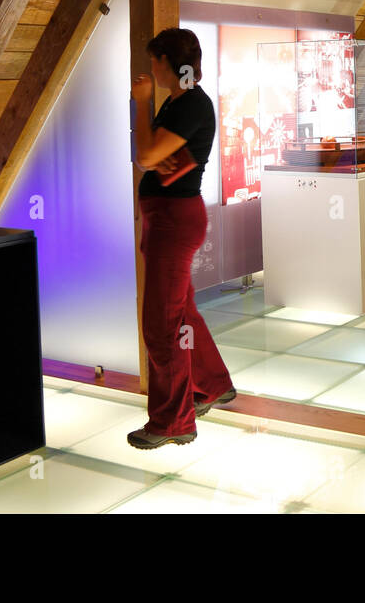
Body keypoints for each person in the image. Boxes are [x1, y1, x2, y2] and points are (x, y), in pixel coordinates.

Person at [127, 28, 235, 449]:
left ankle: (174, 421)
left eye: (155, 61)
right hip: (167, 219)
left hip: (174, 223)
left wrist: (139, 103)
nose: (150, 68)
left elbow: (147, 157)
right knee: (182, 313)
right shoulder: (181, 102)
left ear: (168, 62)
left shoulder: (190, 104)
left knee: (162, 324)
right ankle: (211, 383)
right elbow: (153, 157)